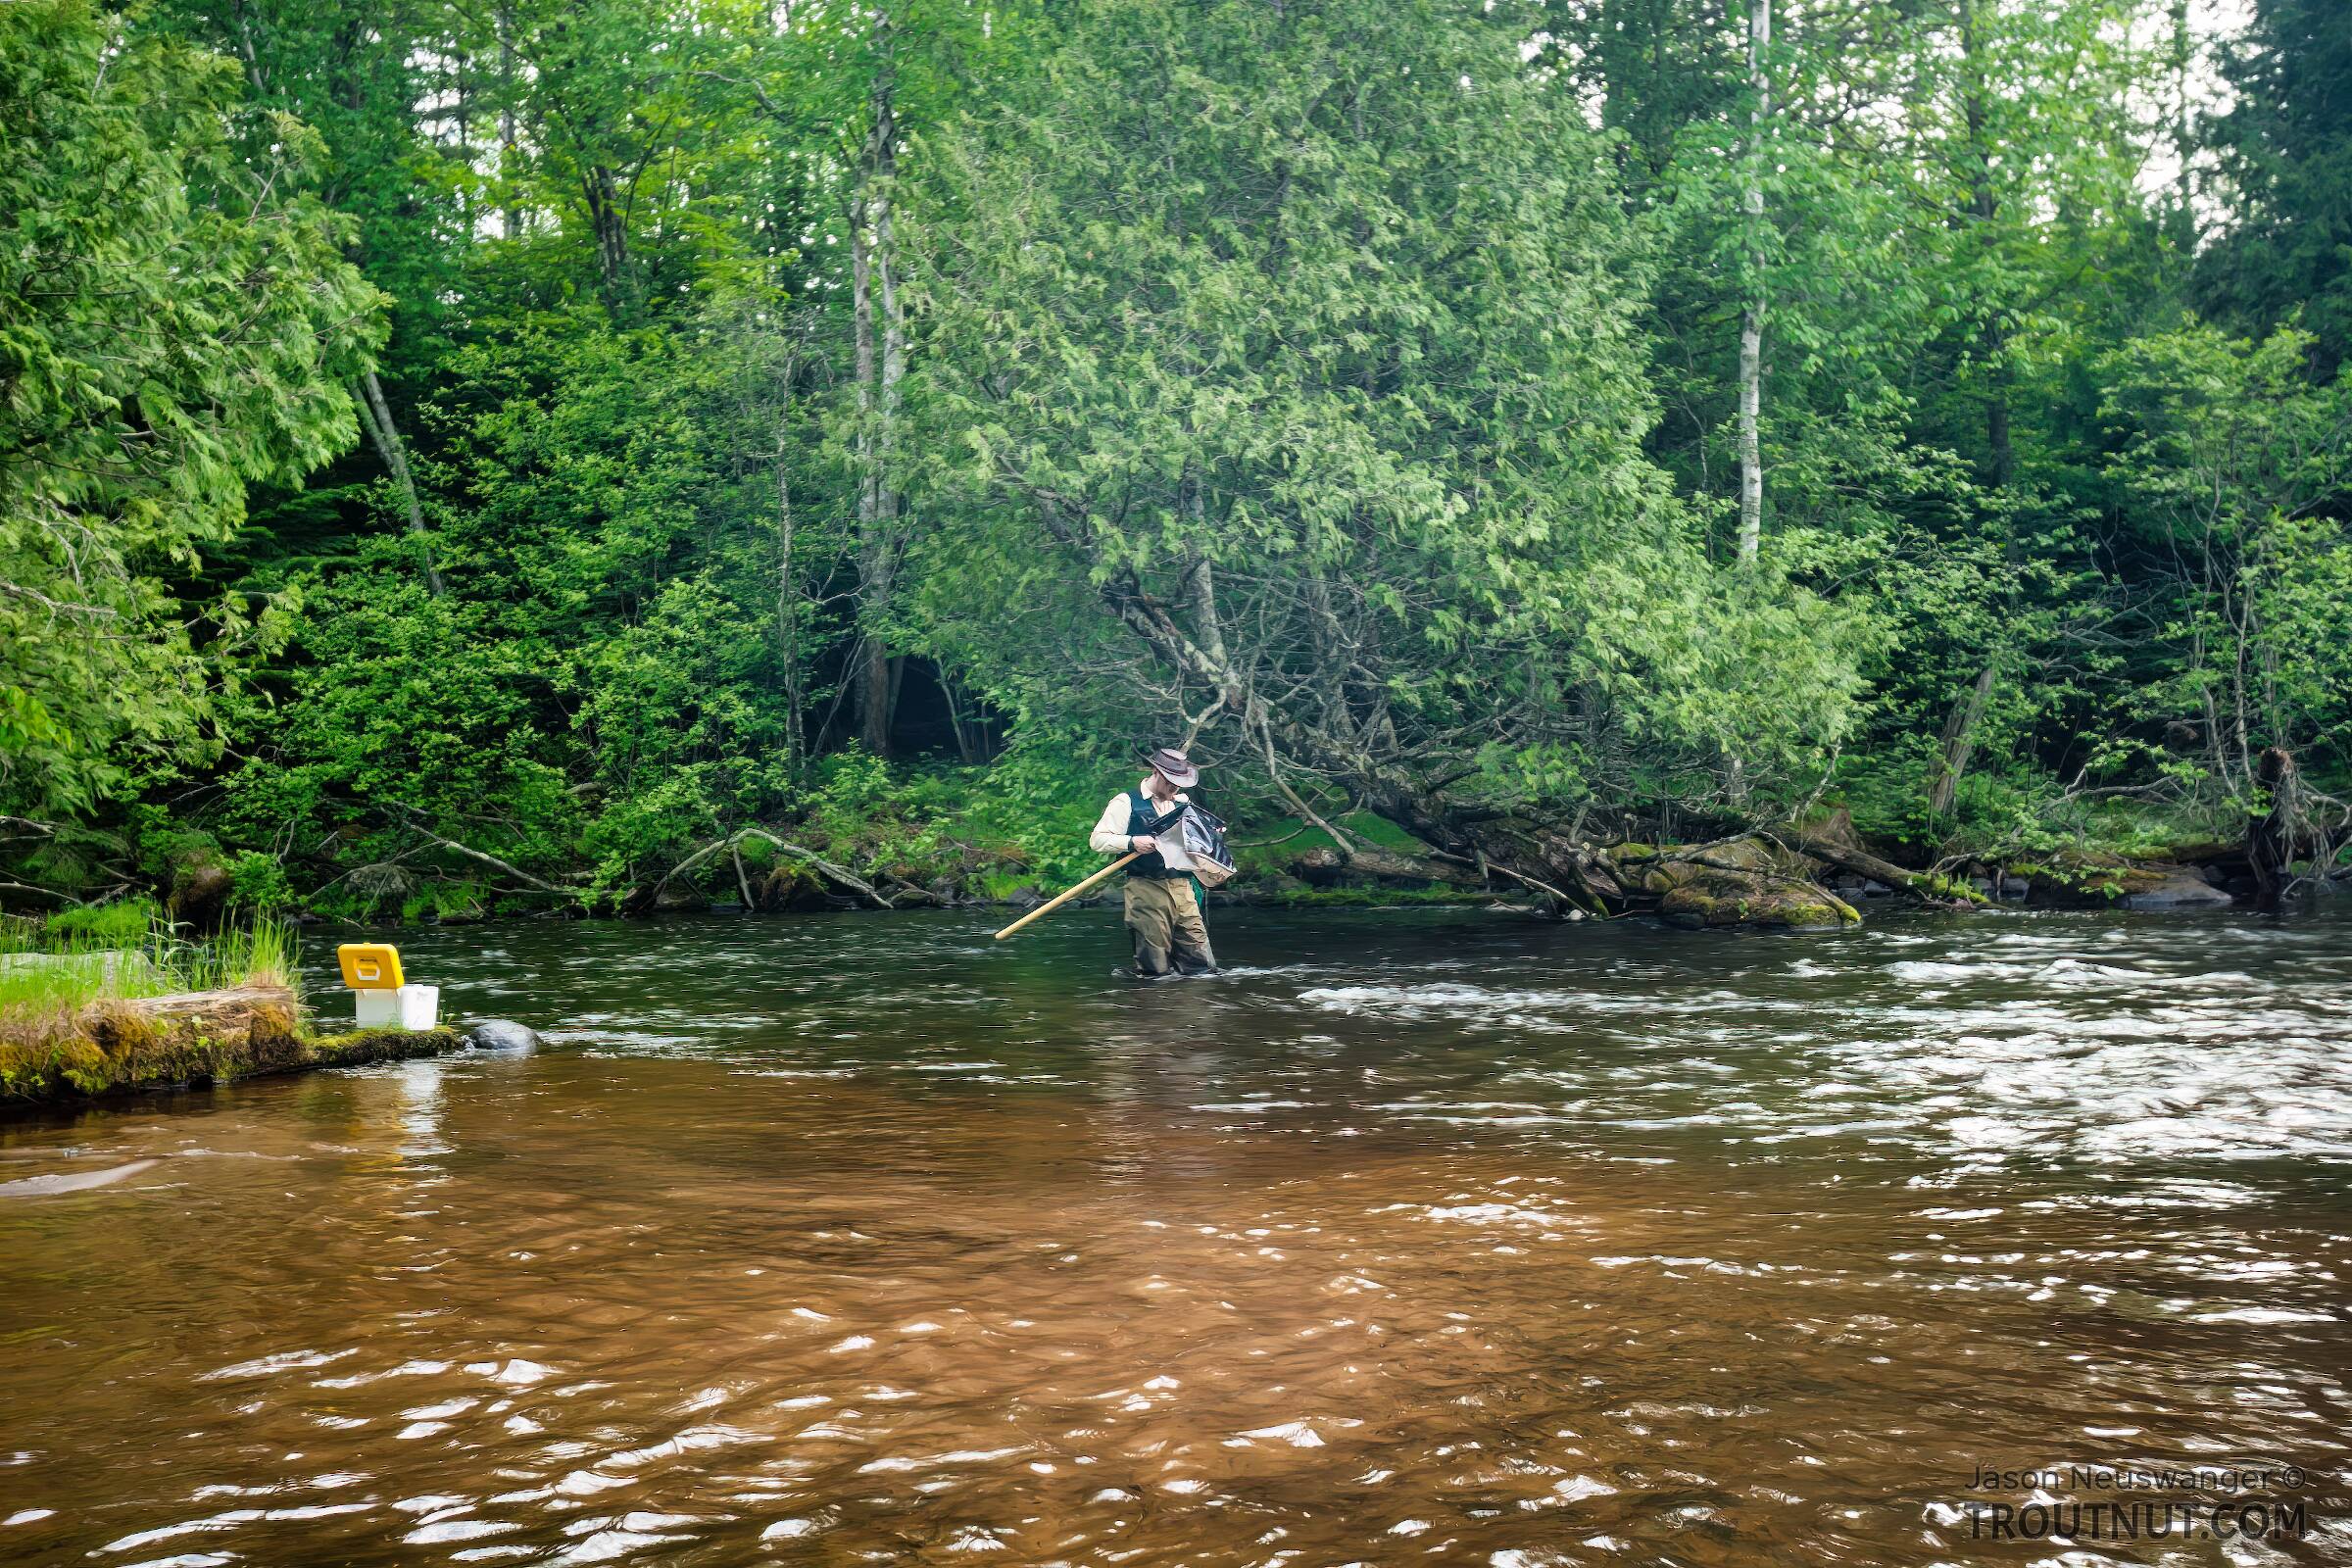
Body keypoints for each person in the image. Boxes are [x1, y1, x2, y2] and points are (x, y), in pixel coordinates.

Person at [1088, 745, 1217, 976]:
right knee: (1154, 968)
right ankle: (1151, 1007)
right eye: (1170, 782)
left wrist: (1211, 835)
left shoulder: (1183, 803)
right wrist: (1132, 842)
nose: (1174, 787)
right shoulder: (1126, 802)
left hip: (1183, 889)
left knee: (1201, 967)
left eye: (1178, 783)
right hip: (1145, 888)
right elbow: (1097, 841)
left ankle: (1198, 1007)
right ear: (1156, 773)